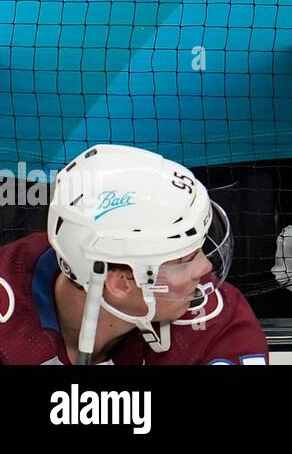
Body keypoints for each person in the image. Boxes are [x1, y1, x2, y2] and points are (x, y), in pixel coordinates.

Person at [0, 144, 268, 365]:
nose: (204, 266)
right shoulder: (8, 332)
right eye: (184, 260)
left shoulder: (218, 324)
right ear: (119, 283)